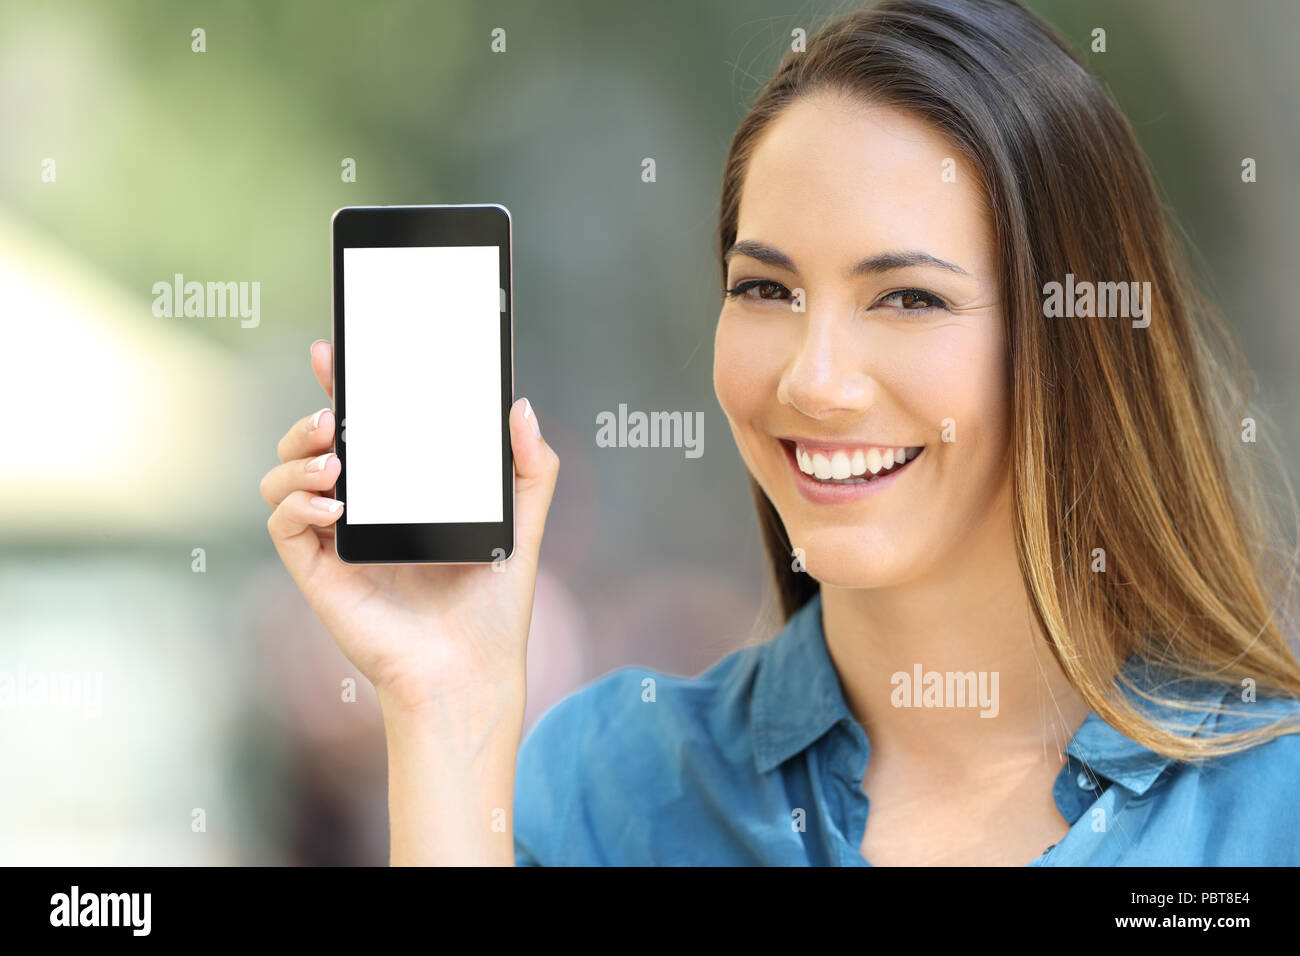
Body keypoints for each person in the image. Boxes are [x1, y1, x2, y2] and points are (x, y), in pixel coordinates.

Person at [261, 0, 1300, 865]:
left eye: (906, 298)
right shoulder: (610, 787)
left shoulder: (1269, 809)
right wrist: (446, 691)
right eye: (765, 287)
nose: (813, 380)